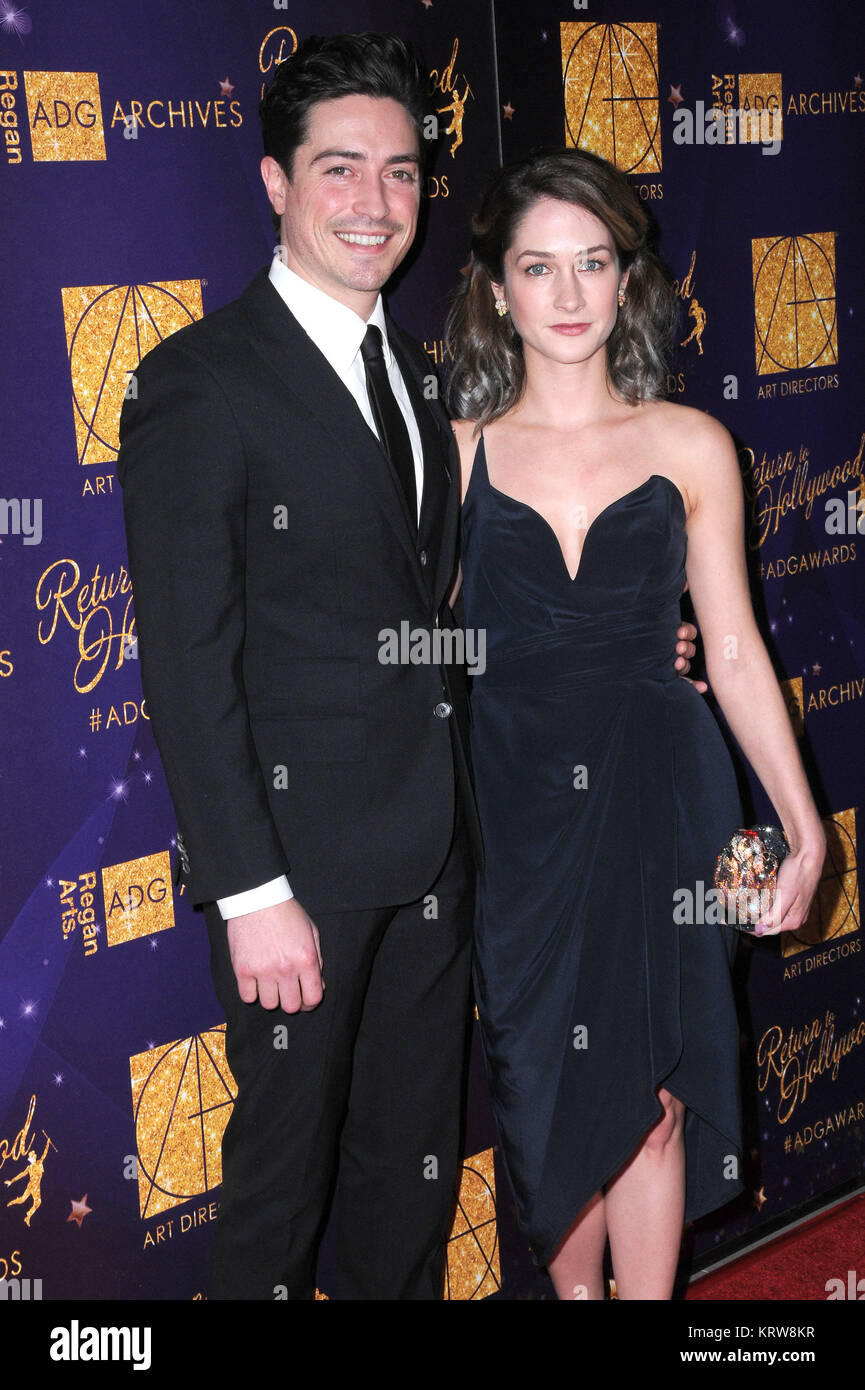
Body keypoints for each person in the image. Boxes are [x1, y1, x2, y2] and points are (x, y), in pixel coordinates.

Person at [117, 35, 701, 1300]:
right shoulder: (199, 384)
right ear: (275, 183)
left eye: (398, 172)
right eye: (339, 170)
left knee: (412, 1175)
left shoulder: (431, 383)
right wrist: (249, 890)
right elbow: (185, 662)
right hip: (299, 875)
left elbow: (437, 620)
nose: (376, 203)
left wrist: (605, 650)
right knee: (280, 1187)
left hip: (443, 851)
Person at [446, 147, 825, 1301]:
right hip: (516, 812)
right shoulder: (453, 455)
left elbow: (739, 648)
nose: (567, 296)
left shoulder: (690, 443)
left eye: (592, 263)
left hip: (665, 792)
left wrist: (802, 831)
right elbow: (418, 654)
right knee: (545, 1092)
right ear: (498, 290)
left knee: (652, 1096)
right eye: (538, 267)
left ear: (628, 280)